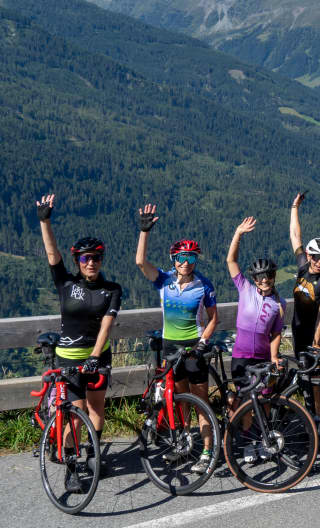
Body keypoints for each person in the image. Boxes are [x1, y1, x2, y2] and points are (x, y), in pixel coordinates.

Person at [35, 193, 121, 485]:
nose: (91, 263)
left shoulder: (112, 289)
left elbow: (107, 325)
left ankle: (95, 455)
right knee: (74, 413)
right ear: (78, 261)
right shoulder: (66, 282)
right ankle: (71, 467)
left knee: (96, 407)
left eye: (96, 257)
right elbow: (52, 254)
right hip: (67, 359)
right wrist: (45, 220)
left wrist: (96, 356)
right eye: (86, 258)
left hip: (98, 357)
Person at [134, 203, 218, 475]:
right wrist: (144, 230)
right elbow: (140, 262)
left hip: (194, 349)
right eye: (182, 257)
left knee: (201, 402)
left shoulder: (204, 285)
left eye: (192, 258)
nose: (186, 263)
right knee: (179, 400)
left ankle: (207, 450)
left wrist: (202, 342)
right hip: (171, 348)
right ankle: (184, 443)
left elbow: (214, 318)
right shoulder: (164, 280)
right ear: (174, 259)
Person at [225, 217, 285, 389]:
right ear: (253, 278)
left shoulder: (279, 303)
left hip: (263, 357)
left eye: (268, 276)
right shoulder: (245, 289)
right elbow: (231, 261)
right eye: (259, 277)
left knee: (265, 398)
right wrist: (238, 234)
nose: (264, 280)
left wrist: (273, 357)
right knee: (243, 399)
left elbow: (276, 333)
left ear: (274, 277)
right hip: (241, 355)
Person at [289, 193, 320, 354]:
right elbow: (295, 236)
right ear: (309, 255)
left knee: (318, 378)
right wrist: (295, 207)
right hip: (298, 330)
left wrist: (316, 343)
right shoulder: (303, 267)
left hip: (316, 335)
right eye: (316, 257)